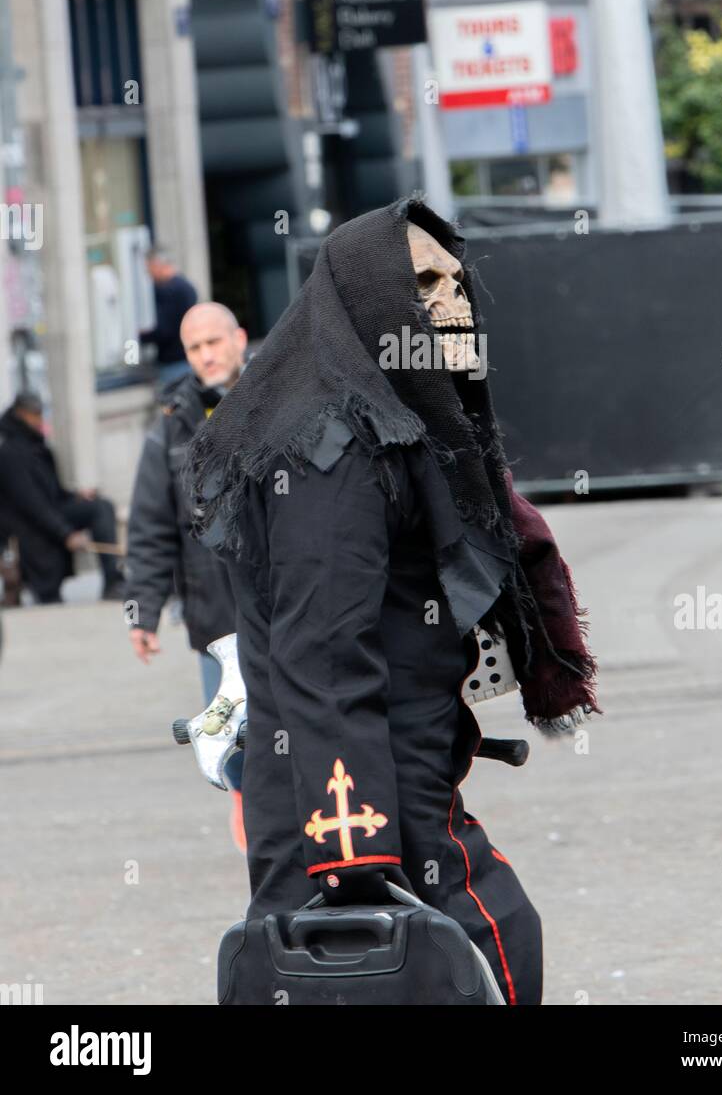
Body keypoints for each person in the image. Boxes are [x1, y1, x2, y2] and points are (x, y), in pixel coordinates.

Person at [185, 196, 600, 1006]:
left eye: (455, 281)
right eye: (424, 283)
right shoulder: (327, 448)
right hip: (360, 788)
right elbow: (322, 651)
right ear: (373, 299)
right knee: (490, 942)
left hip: (393, 763)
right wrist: (352, 851)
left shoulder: (389, 409)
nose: (450, 300)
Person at [125, 303, 249, 851]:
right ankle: (259, 849)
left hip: (287, 607)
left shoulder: (278, 396)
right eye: (195, 348)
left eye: (214, 342)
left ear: (239, 338)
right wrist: (142, 614)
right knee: (232, 751)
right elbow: (150, 525)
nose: (206, 356)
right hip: (216, 623)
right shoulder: (172, 423)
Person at [0, 392, 124, 603]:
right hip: (28, 526)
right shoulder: (10, 453)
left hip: (50, 512)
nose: (40, 420)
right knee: (49, 596)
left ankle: (112, 580)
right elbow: (32, 504)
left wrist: (76, 495)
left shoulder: (37, 445)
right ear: (21, 414)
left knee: (100, 507)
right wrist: (65, 533)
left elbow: (53, 492)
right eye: (35, 415)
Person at [140, 246, 198, 388]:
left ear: (157, 265)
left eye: (148, 268)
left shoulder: (168, 290)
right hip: (185, 359)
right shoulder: (186, 287)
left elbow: (164, 329)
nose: (148, 274)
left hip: (173, 363)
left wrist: (138, 336)